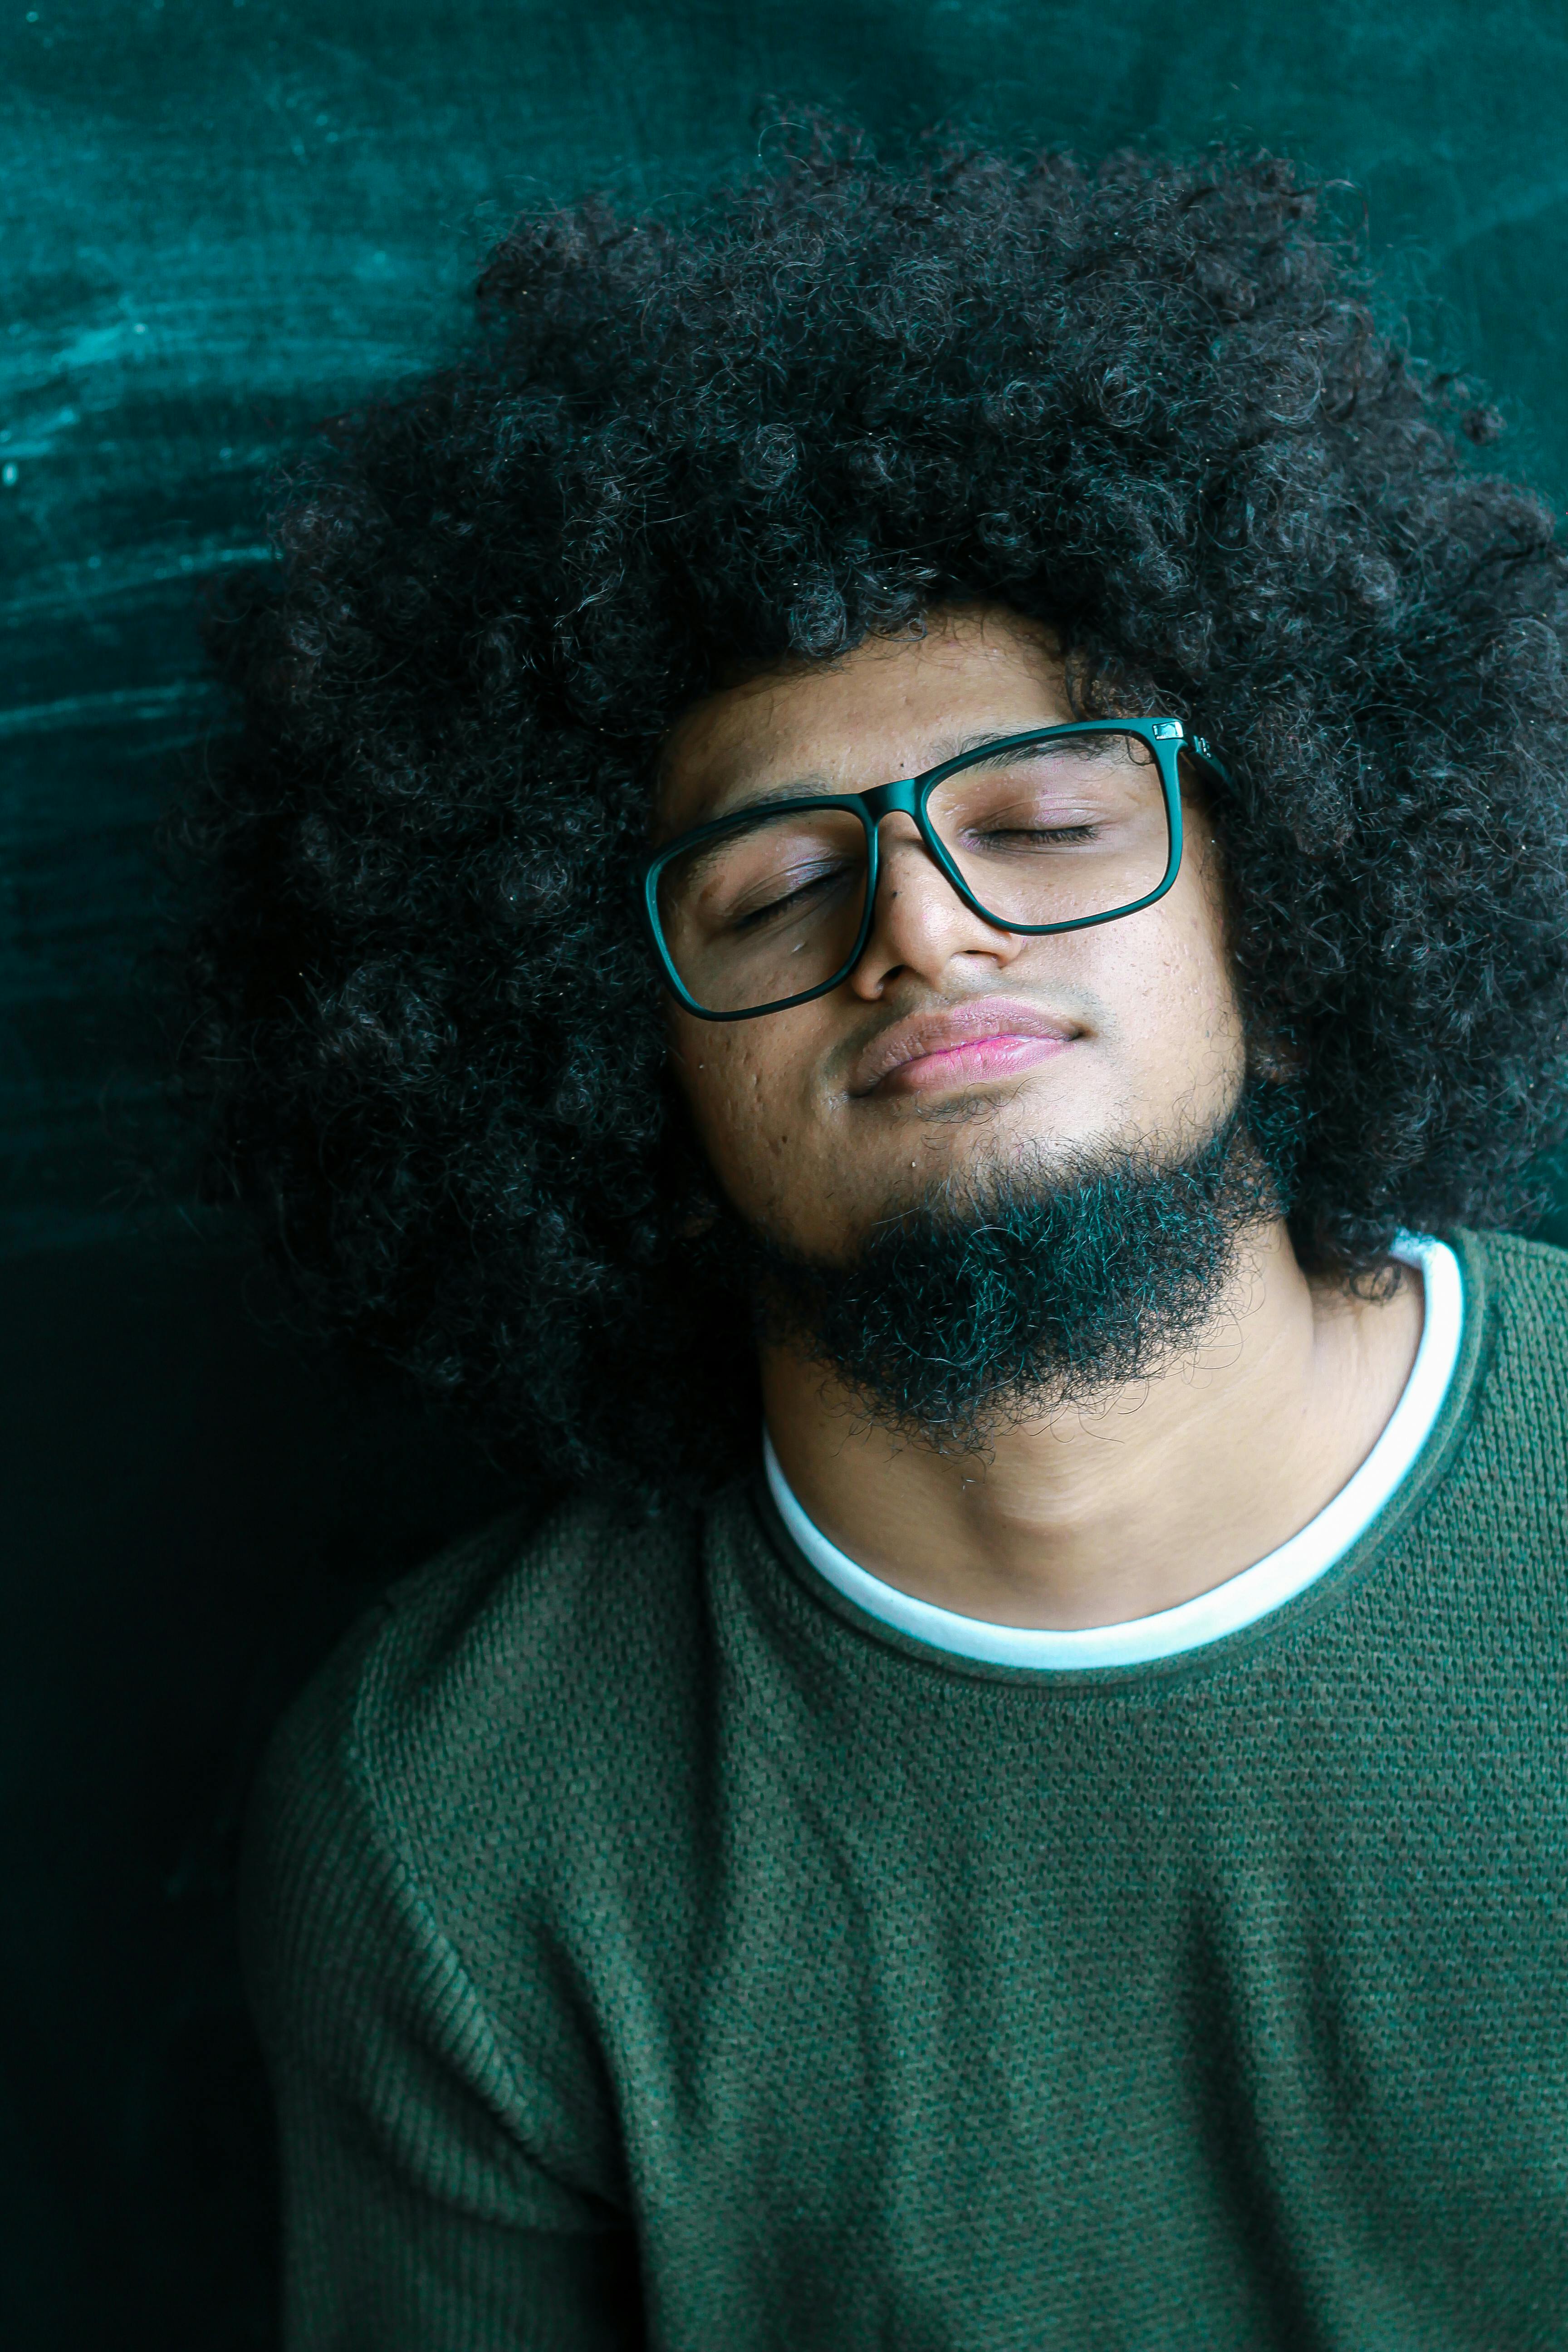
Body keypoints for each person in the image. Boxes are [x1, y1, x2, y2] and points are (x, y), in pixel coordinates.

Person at [182, 129, 1568, 2347]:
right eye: (776, 888)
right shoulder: (455, 1829)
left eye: (1044, 823)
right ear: (605, 1062)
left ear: (1298, 909)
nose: (921, 930)